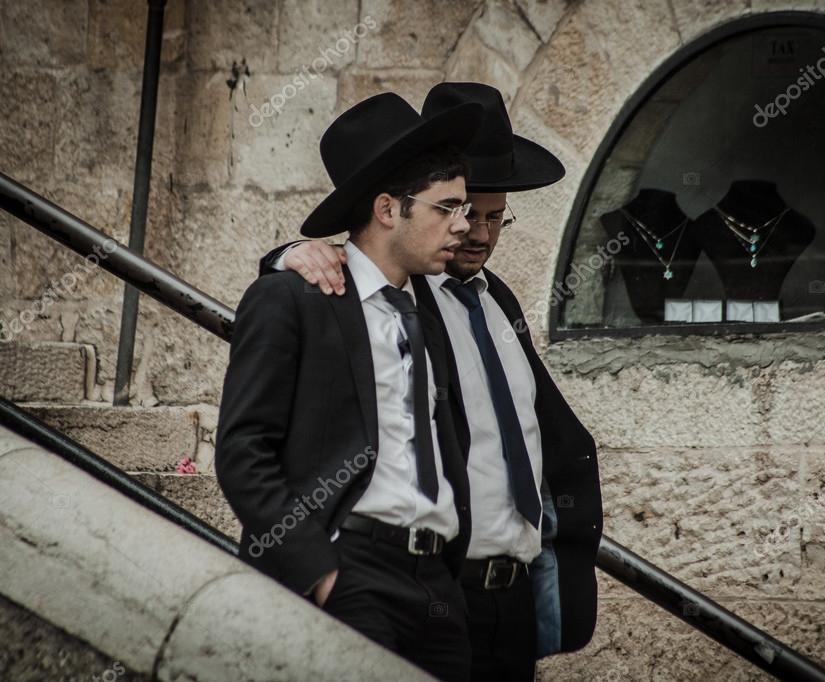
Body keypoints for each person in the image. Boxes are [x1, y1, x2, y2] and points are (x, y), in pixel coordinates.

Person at [257, 82, 603, 681]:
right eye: (460, 211)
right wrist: (286, 253)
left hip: (514, 592)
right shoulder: (401, 290)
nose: (478, 233)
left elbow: (532, 426)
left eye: (494, 217)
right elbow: (343, 267)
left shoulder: (497, 300)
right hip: (437, 584)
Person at [215, 92, 485, 682]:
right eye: (447, 208)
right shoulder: (293, 299)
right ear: (389, 210)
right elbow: (243, 451)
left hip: (436, 581)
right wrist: (322, 570)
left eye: (465, 208)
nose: (464, 226)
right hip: (349, 569)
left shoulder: (431, 308)